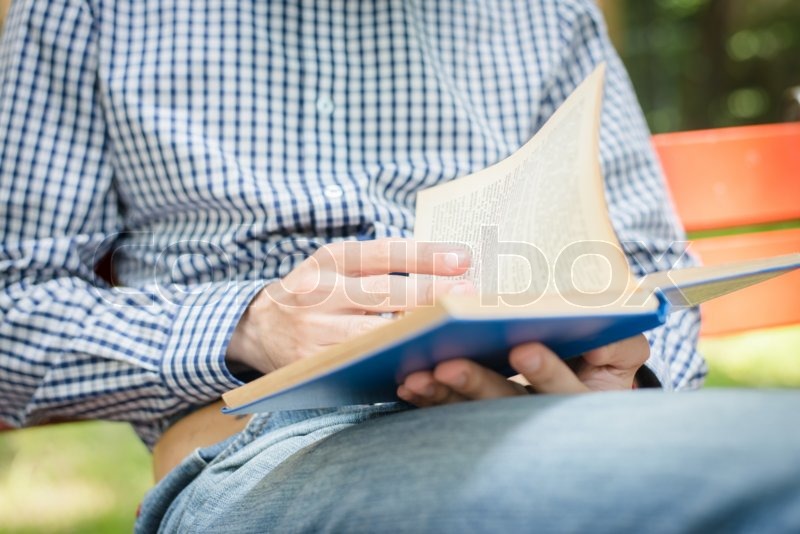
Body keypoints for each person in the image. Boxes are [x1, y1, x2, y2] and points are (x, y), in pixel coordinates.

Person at [1, 0, 799, 532]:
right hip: (266, 450)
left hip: (557, 416)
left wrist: (625, 380)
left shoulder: (546, 12)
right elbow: (12, 309)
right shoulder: (87, 12)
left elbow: (654, 265)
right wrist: (248, 327)